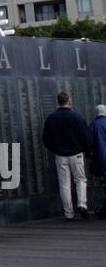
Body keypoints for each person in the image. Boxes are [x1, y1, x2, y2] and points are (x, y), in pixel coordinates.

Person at [41, 90, 91, 221]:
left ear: (58, 101)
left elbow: (46, 139)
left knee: (64, 184)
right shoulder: (77, 117)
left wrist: (55, 149)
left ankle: (68, 213)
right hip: (76, 154)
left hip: (60, 155)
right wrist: (85, 149)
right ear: (69, 101)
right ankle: (82, 204)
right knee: (80, 180)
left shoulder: (51, 118)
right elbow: (86, 137)